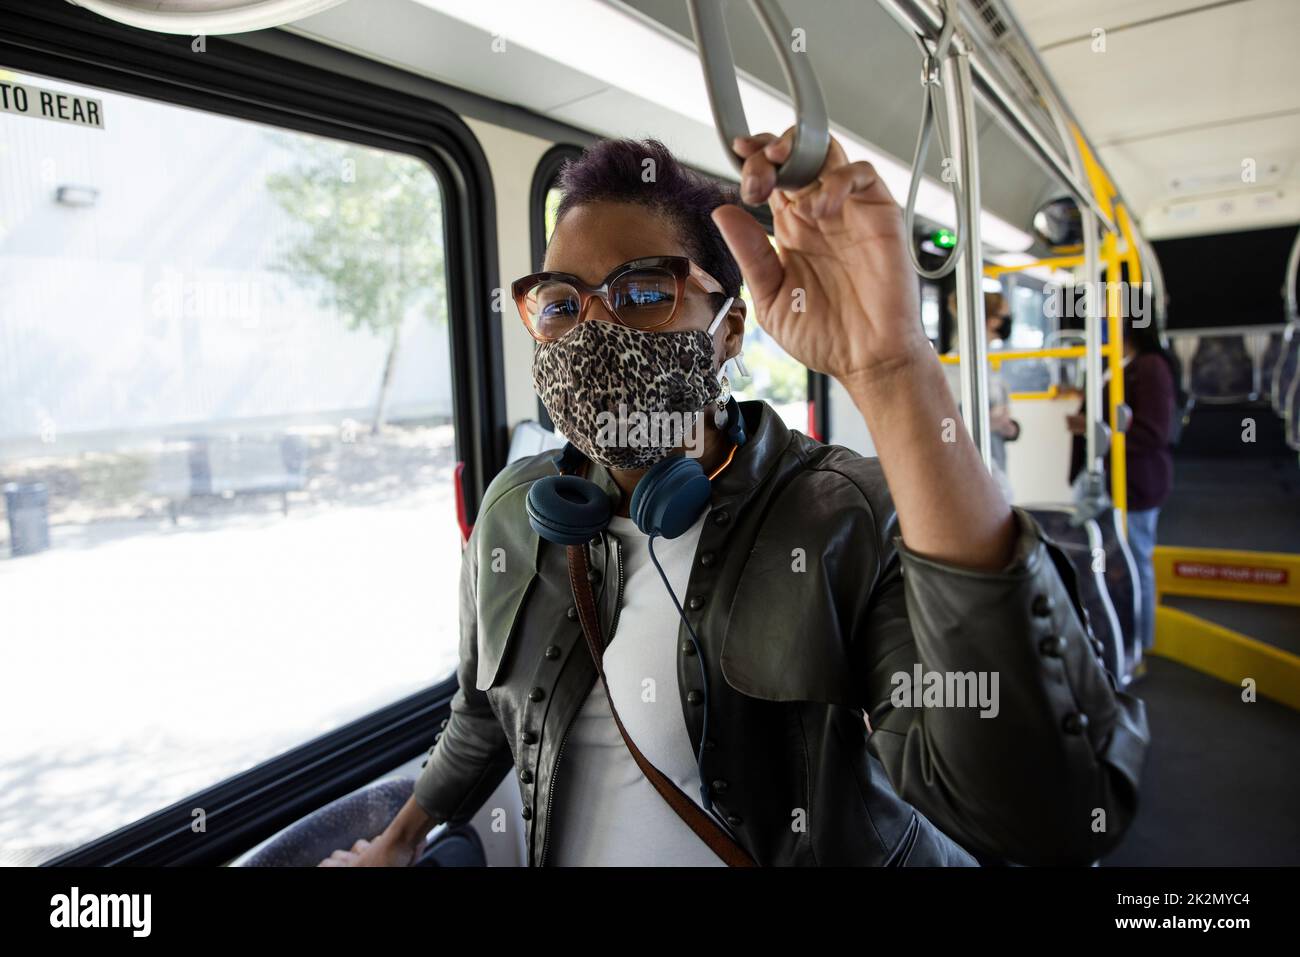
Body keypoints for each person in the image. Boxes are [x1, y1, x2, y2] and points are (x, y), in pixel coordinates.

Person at [321, 131, 1147, 867]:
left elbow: (1043, 817)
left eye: (644, 291)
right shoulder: (516, 510)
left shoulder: (842, 517)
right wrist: (398, 842)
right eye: (561, 303)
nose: (593, 332)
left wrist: (894, 372)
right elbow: (479, 716)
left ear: (729, 329)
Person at [1068, 321, 1176, 654]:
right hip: (1109, 482)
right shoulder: (1115, 364)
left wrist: (1098, 433)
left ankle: (1141, 643)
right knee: (1114, 561)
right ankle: (1120, 636)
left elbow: (1154, 432)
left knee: (1136, 560)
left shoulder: (1150, 367)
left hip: (1136, 482)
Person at [945, 290, 1022, 501]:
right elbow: (947, 426)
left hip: (995, 460)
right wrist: (988, 422)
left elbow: (1007, 423)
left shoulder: (991, 365)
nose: (1008, 321)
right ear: (991, 320)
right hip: (968, 470)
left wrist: (1009, 428)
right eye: (1004, 315)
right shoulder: (953, 367)